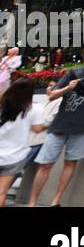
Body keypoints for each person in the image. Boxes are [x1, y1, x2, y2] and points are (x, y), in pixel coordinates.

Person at [27, 50, 84, 206]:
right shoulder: (74, 72)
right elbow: (52, 96)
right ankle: (32, 202)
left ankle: (56, 200)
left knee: (70, 163)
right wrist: (68, 87)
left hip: (83, 126)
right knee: (45, 164)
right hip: (60, 124)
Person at [0, 78, 46, 207]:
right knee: (2, 192)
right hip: (14, 156)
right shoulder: (35, 108)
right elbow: (37, 129)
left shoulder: (3, 104)